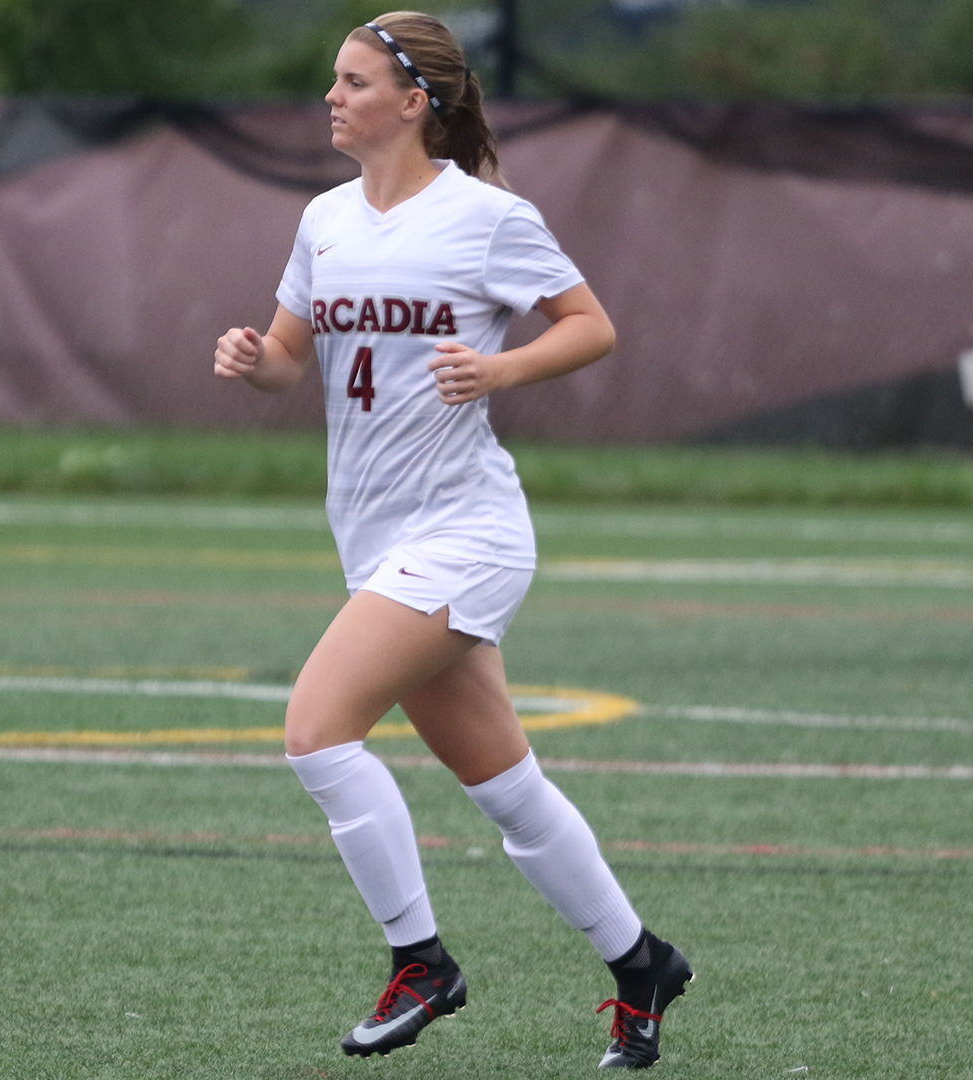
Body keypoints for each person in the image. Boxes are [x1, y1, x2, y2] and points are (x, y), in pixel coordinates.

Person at [212, 11, 690, 1069]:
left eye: (352, 80)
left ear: (414, 100)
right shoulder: (326, 219)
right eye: (331, 79)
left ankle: (422, 962)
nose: (331, 97)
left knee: (317, 730)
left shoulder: (483, 217)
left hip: (466, 532)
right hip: (375, 539)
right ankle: (641, 963)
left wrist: (500, 369)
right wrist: (257, 360)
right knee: (505, 788)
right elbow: (295, 358)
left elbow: (590, 326)